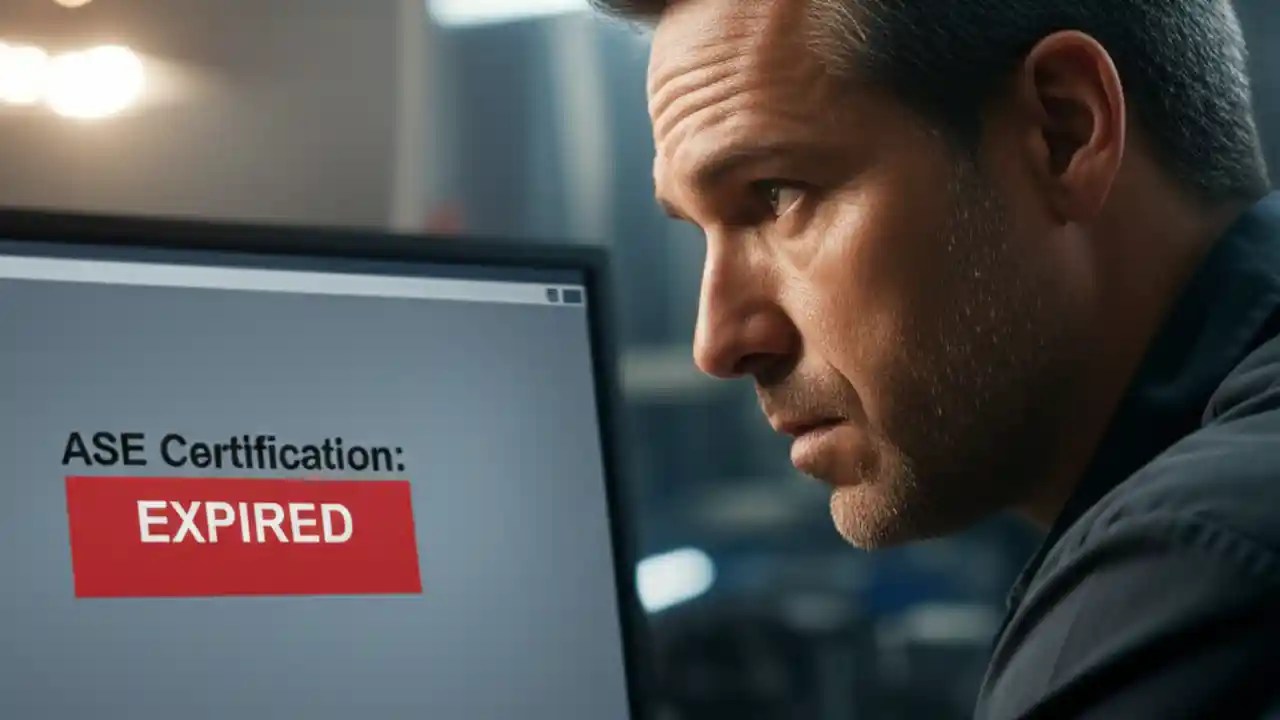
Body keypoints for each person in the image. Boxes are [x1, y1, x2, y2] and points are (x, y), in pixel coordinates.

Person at [591, 0, 1280, 716]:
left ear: (1063, 131)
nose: (718, 342)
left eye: (777, 194)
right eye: (699, 230)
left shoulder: (1193, 576)